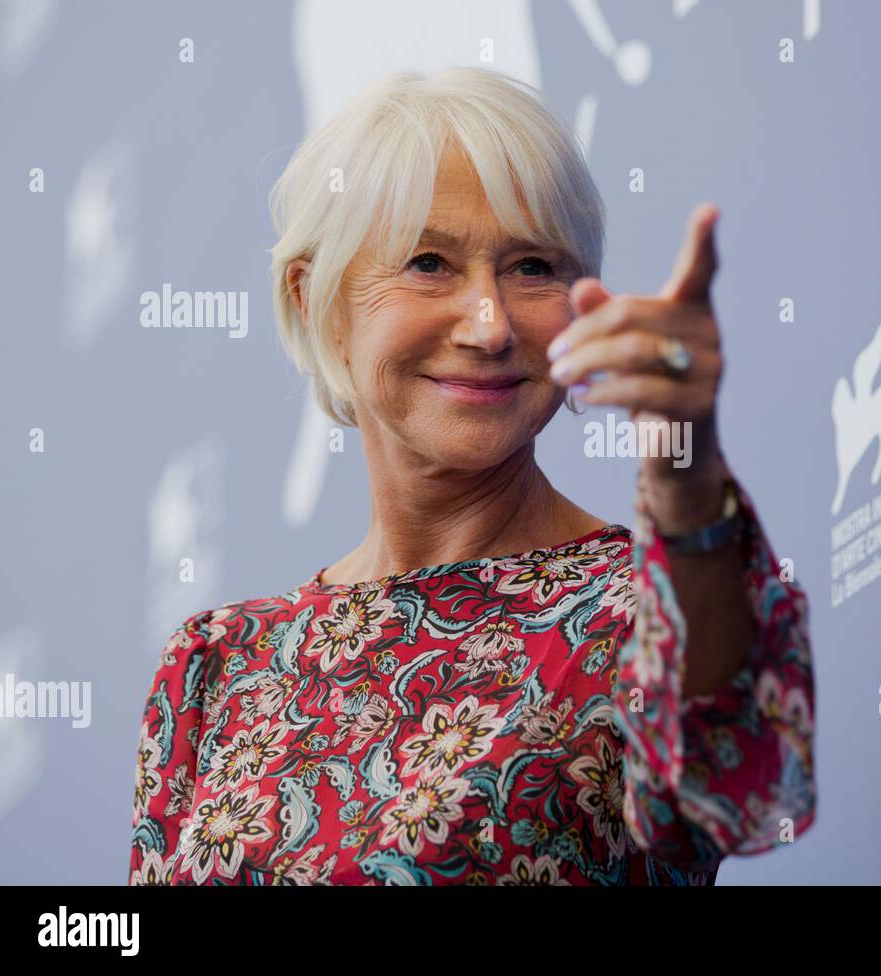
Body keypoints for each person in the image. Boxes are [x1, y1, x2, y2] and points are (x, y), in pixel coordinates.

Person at [129, 66, 815, 885]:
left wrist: (684, 457)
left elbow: (746, 792)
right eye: (428, 262)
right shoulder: (215, 664)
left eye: (532, 267)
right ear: (318, 303)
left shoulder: (643, 607)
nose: (489, 325)